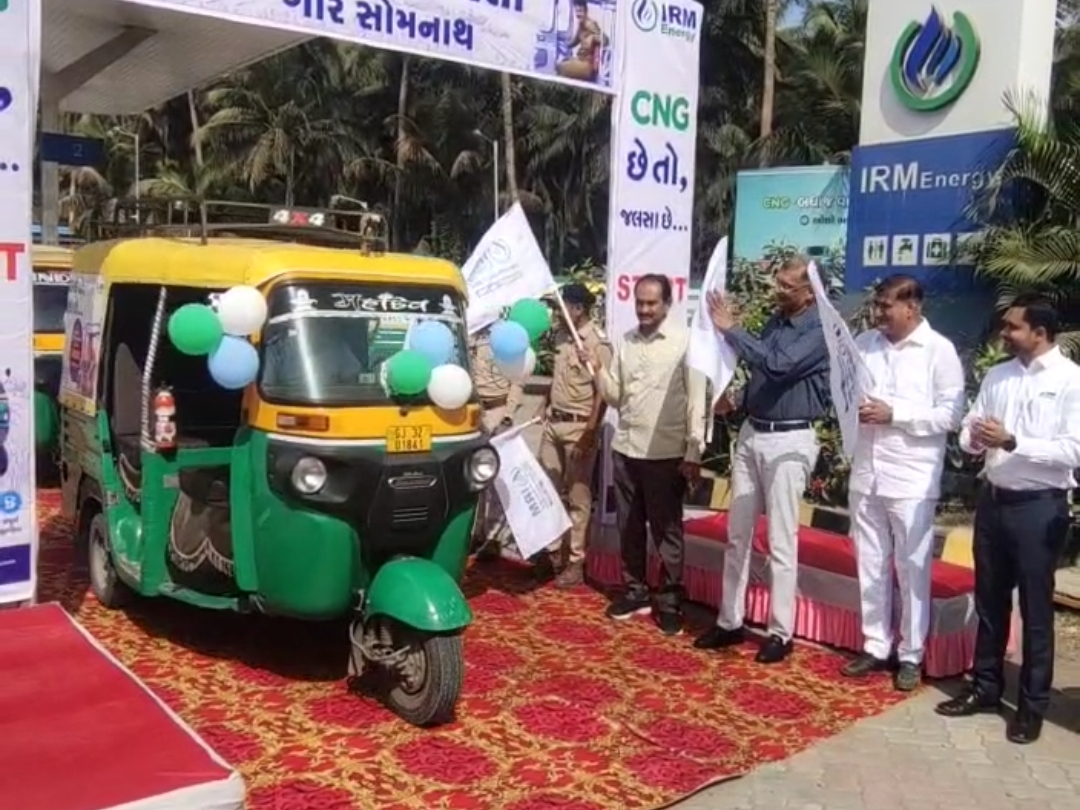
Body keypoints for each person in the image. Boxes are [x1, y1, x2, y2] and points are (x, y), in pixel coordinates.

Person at [935, 295, 1080, 744]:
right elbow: (970, 428)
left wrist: (1014, 440)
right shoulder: (998, 375)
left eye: (1013, 326)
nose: (1005, 333)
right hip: (994, 501)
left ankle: (1032, 707)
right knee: (990, 601)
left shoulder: (1071, 380)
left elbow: (1073, 450)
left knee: (1035, 609)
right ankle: (986, 687)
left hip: (1040, 506)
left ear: (1040, 332)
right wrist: (975, 440)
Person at [694, 255, 829, 664]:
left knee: (782, 539)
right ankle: (729, 620)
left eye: (788, 286)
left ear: (810, 292)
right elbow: (762, 376)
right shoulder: (777, 321)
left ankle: (780, 631)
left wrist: (731, 329)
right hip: (754, 432)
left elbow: (778, 365)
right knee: (737, 534)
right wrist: (737, 398)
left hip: (790, 437)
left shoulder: (819, 328)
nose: (779, 291)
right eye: (779, 283)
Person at [841, 275, 965, 691]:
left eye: (886, 305)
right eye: (877, 304)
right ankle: (875, 644)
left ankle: (911, 653)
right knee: (870, 560)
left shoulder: (938, 350)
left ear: (912, 307)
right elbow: (846, 393)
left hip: (911, 475)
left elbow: (950, 415)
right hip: (867, 470)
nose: (878, 312)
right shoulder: (865, 344)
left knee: (912, 565)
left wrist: (896, 414)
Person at [586, 274, 706, 635]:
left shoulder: (686, 342)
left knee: (667, 532)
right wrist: (597, 370)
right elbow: (616, 396)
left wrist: (693, 451)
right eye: (639, 302)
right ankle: (635, 592)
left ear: (667, 304)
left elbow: (697, 401)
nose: (644, 309)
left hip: (666, 454)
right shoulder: (626, 342)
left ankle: (669, 602)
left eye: (652, 303)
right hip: (626, 450)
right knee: (629, 527)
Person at [538, 284, 610, 588]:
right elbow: (556, 379)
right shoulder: (561, 337)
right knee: (546, 490)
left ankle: (576, 561)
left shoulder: (597, 343)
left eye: (562, 306)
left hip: (579, 427)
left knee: (578, 497)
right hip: (553, 423)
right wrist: (545, 405)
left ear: (578, 309)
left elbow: (602, 395)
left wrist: (589, 434)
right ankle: (552, 551)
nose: (557, 312)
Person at [470, 328, 523, 560]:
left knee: (496, 479)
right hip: (474, 412)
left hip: (497, 410)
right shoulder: (472, 335)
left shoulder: (506, 338)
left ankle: (493, 537)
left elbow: (517, 381)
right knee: (474, 475)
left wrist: (508, 415)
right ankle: (476, 532)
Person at [556, 0, 604, 83]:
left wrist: (596, 38)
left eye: (580, 11)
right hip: (580, 60)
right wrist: (564, 43)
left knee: (560, 67)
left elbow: (603, 39)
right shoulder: (581, 25)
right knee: (563, 61)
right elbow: (574, 41)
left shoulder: (590, 24)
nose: (578, 14)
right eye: (577, 11)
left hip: (587, 65)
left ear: (586, 12)